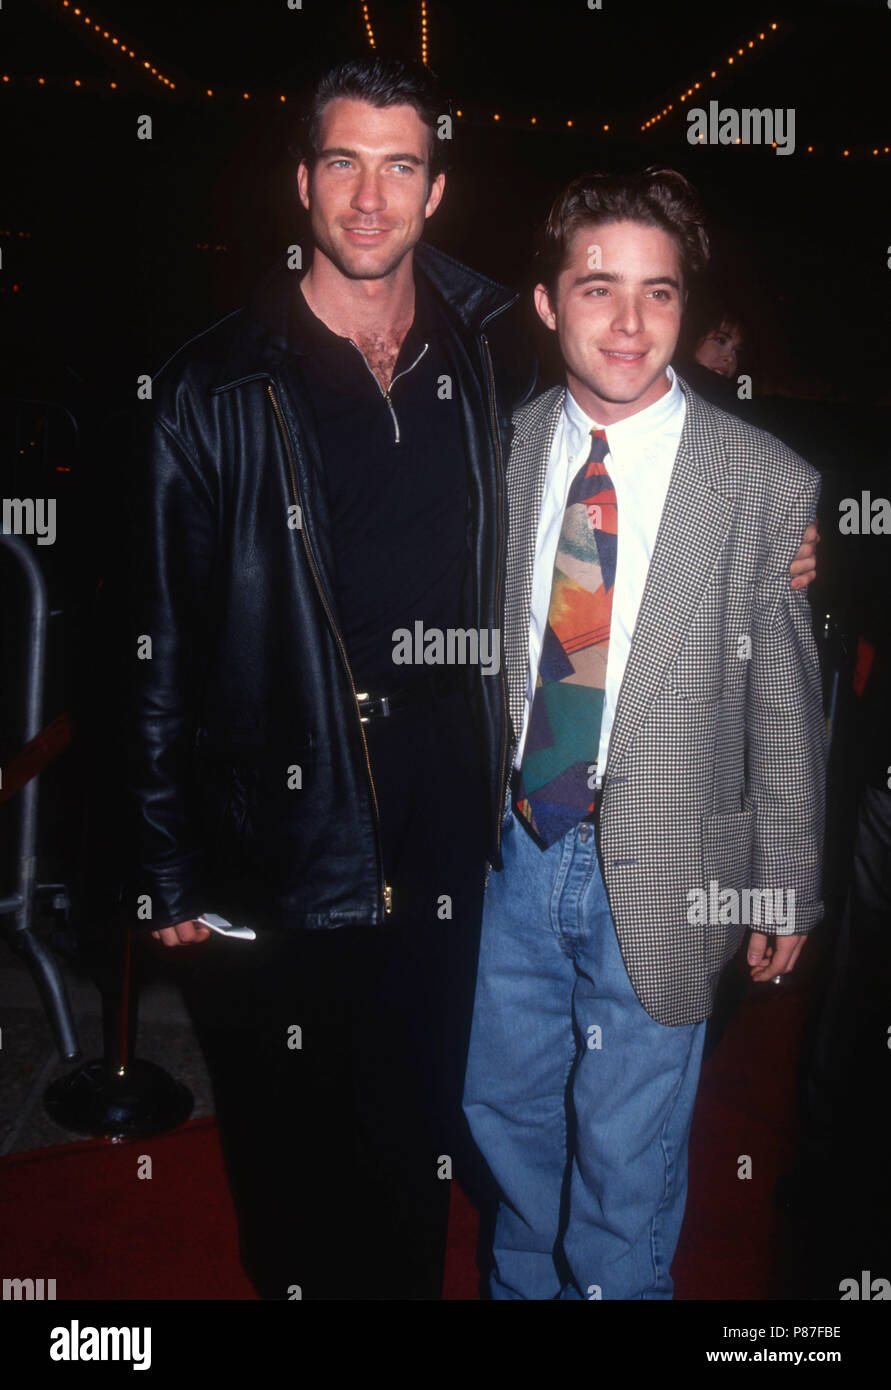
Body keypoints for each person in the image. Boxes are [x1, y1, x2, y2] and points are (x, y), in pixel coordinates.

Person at [120, 55, 537, 1301]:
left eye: (398, 165)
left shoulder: (496, 349)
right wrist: (162, 864)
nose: (371, 196)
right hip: (284, 826)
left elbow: (628, 431)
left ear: (437, 187)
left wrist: (772, 537)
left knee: (416, 1132)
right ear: (303, 182)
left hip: (447, 812)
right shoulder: (212, 387)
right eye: (344, 162)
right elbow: (155, 642)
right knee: (291, 1150)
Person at [462, 168, 827, 1301]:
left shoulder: (764, 480)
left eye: (658, 294)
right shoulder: (500, 452)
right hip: (516, 847)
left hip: (672, 864)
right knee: (505, 1114)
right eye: (598, 289)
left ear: (686, 305)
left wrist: (787, 882)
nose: (628, 323)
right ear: (545, 303)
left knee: (628, 1153)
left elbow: (785, 701)